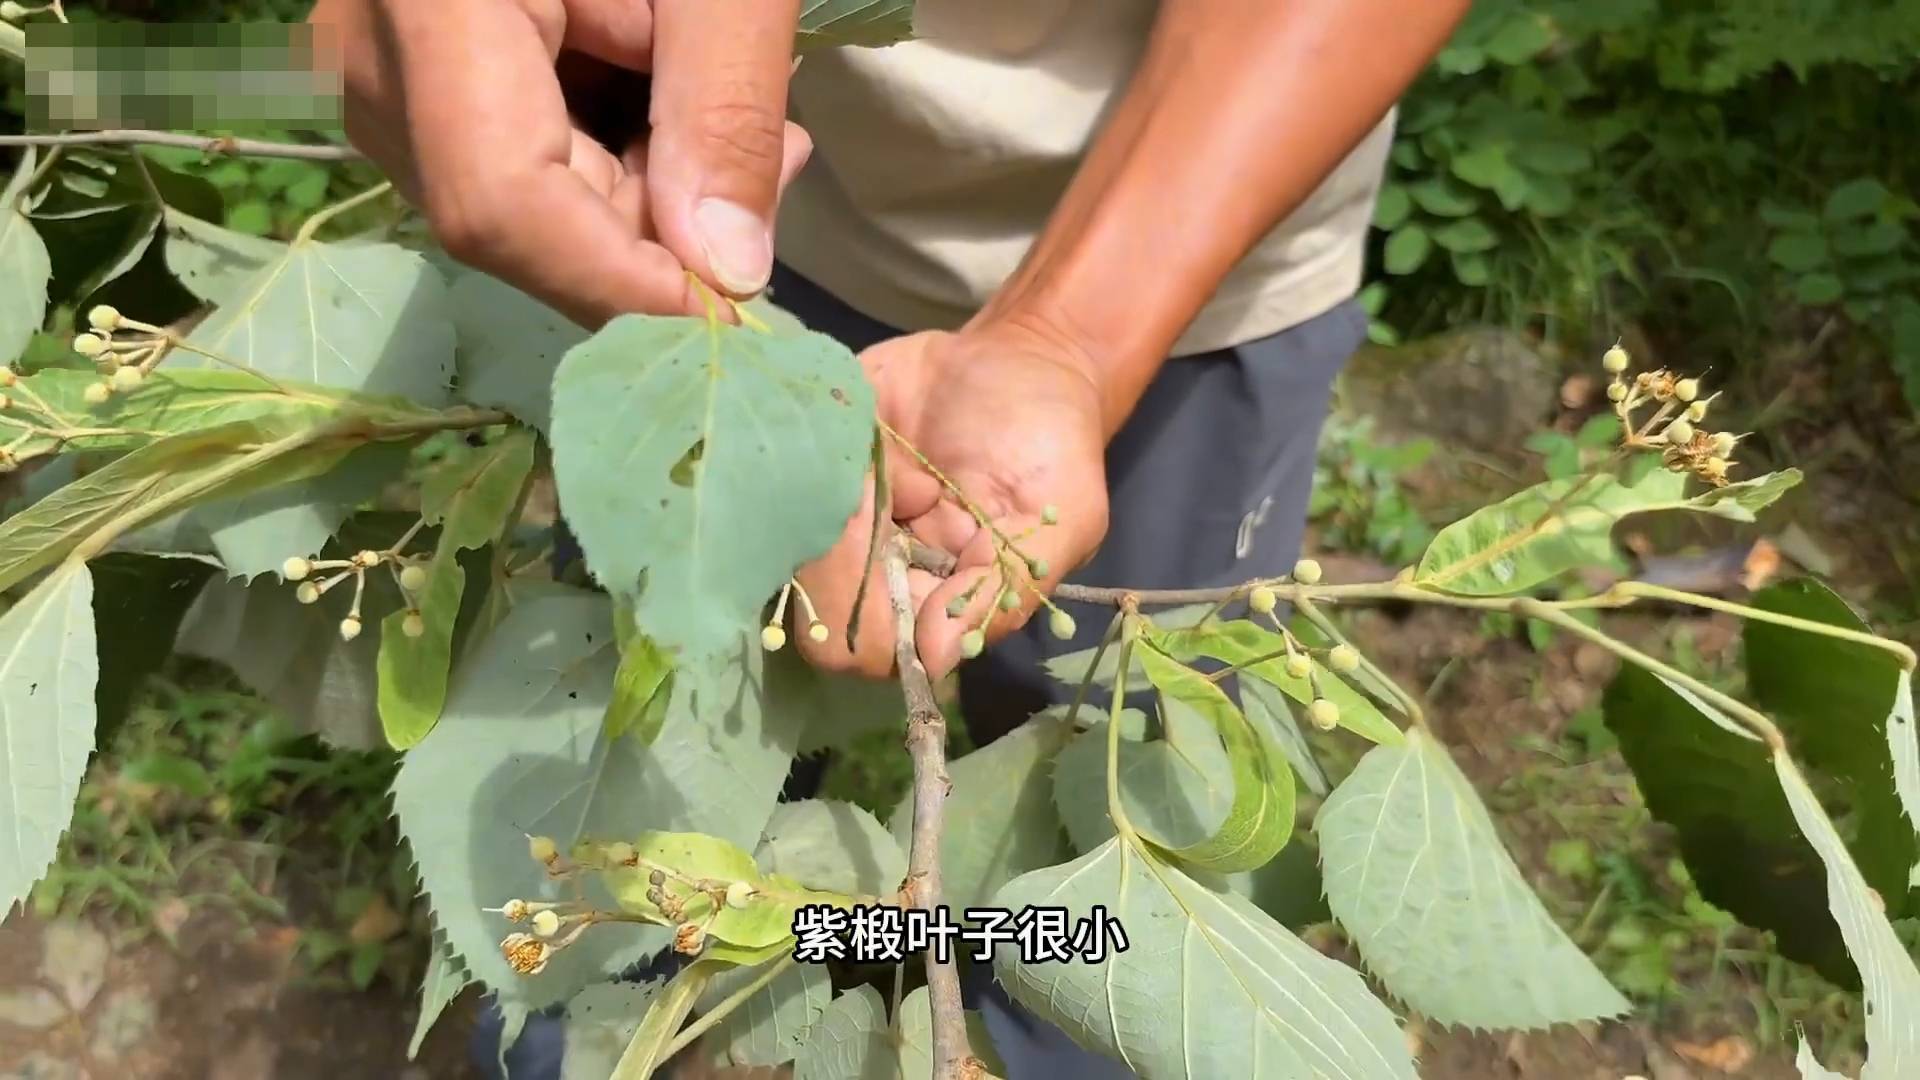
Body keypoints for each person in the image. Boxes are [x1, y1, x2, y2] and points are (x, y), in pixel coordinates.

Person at [308, 0, 1471, 1075]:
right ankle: (582, 1009)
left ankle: (1047, 1041)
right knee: (660, 710)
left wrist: (1071, 338)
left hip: (1210, 232)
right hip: (774, 214)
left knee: (1113, 772)